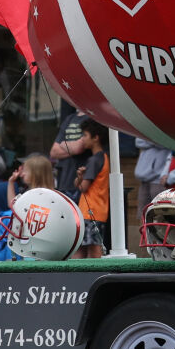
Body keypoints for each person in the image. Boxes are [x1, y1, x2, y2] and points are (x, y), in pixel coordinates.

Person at [76, 120, 111, 258]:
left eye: (85, 135)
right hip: (99, 210)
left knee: (85, 251)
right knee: (92, 247)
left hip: (88, 211)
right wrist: (80, 177)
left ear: (96, 138)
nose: (82, 139)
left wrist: (80, 178)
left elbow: (83, 187)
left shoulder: (94, 160)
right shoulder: (105, 158)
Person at [49, 107, 88, 203]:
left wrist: (63, 144)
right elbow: (53, 152)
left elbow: (79, 148)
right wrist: (72, 147)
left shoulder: (91, 118)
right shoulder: (69, 118)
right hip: (64, 181)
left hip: (80, 181)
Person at [133, 135, 170, 214]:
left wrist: (147, 138)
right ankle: (144, 227)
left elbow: (166, 141)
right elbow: (138, 141)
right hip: (144, 178)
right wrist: (154, 140)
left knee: (160, 214)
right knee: (142, 214)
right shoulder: (146, 127)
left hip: (159, 180)